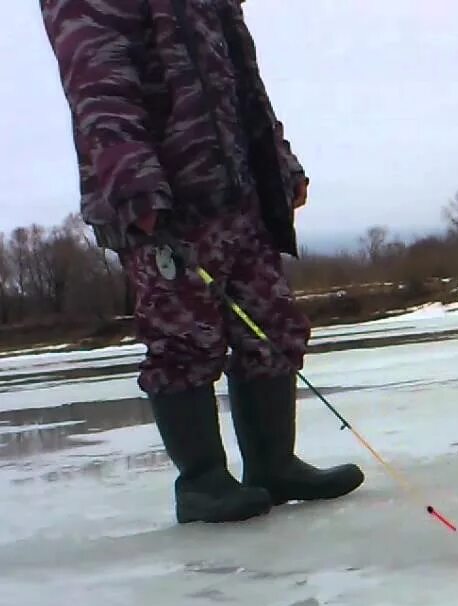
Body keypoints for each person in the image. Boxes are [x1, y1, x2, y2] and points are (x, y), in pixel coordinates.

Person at [40, 0, 364, 523]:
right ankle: (202, 482)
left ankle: (273, 465)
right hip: (164, 201)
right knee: (183, 338)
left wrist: (280, 164)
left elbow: (244, 83)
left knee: (271, 327)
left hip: (237, 188)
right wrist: (137, 187)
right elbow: (98, 87)